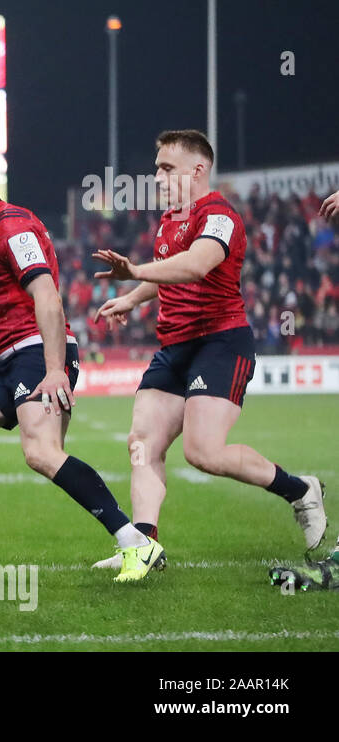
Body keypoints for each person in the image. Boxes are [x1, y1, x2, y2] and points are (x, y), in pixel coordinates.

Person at [0, 147, 161, 584]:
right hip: (3, 362)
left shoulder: (14, 225)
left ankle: (135, 543)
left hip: (38, 354)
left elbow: (46, 296)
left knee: (42, 452)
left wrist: (53, 370)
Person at [92, 130, 325, 566]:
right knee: (142, 442)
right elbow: (166, 271)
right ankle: (143, 547)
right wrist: (132, 296)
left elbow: (197, 264)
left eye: (167, 168)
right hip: (174, 347)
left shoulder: (220, 215)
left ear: (198, 170)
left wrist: (136, 271)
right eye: (156, 167)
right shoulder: (169, 219)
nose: (157, 175)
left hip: (220, 342)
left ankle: (301, 490)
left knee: (203, 453)